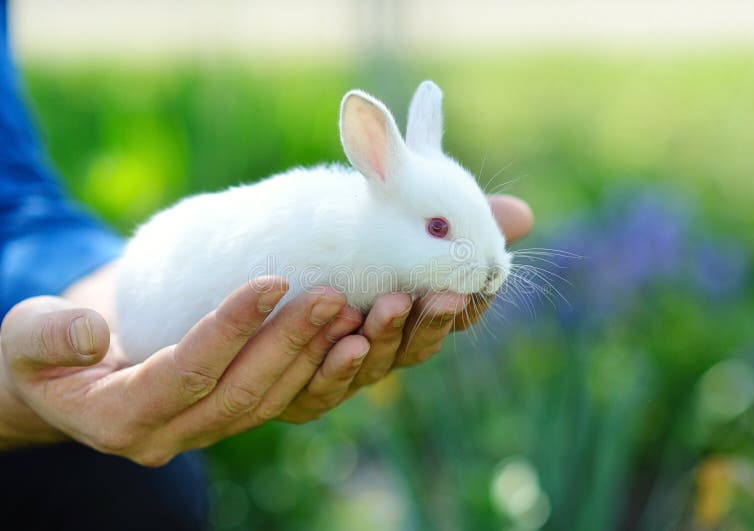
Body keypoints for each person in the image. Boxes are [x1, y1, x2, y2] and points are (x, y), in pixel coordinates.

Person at [0, 1, 533, 529]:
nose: (490, 266)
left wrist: (75, 287)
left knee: (151, 495)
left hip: (114, 297)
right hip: (143, 306)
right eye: (440, 230)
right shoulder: (338, 231)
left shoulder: (360, 236)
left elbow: (17, 198)